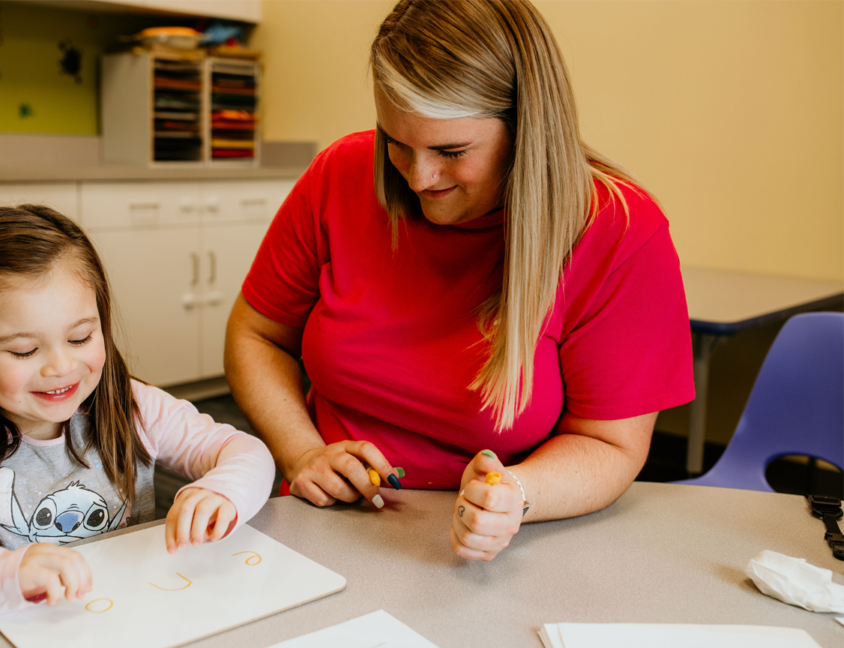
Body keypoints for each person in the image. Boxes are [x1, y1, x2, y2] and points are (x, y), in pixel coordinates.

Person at [225, 0, 694, 562]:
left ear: (526, 129)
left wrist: (514, 496)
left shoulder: (617, 229)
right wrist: (302, 453)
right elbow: (256, 334)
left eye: (451, 151)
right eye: (395, 142)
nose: (419, 177)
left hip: (508, 543)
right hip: (327, 524)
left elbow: (610, 446)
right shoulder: (339, 174)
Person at [0, 205, 275, 618]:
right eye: (24, 350)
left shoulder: (133, 405)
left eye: (81, 338)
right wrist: (1, 574)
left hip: (133, 617)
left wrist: (224, 490)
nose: (61, 367)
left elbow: (244, 450)